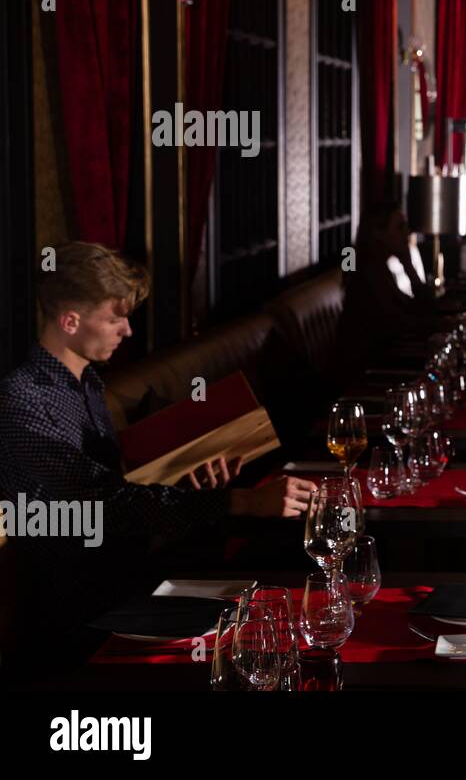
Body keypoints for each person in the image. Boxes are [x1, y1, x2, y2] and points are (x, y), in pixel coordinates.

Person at [0, 242, 314, 666]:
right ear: (70, 321)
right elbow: (103, 505)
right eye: (116, 318)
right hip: (78, 616)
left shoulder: (86, 381)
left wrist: (184, 478)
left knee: (280, 594)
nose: (127, 331)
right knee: (268, 611)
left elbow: (113, 493)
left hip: (125, 574)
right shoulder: (23, 401)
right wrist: (243, 501)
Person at [333, 200, 439, 383]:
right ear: (378, 234)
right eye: (399, 227)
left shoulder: (380, 268)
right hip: (365, 379)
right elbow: (400, 324)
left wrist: (408, 267)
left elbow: (421, 308)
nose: (406, 233)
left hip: (384, 364)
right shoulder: (365, 274)